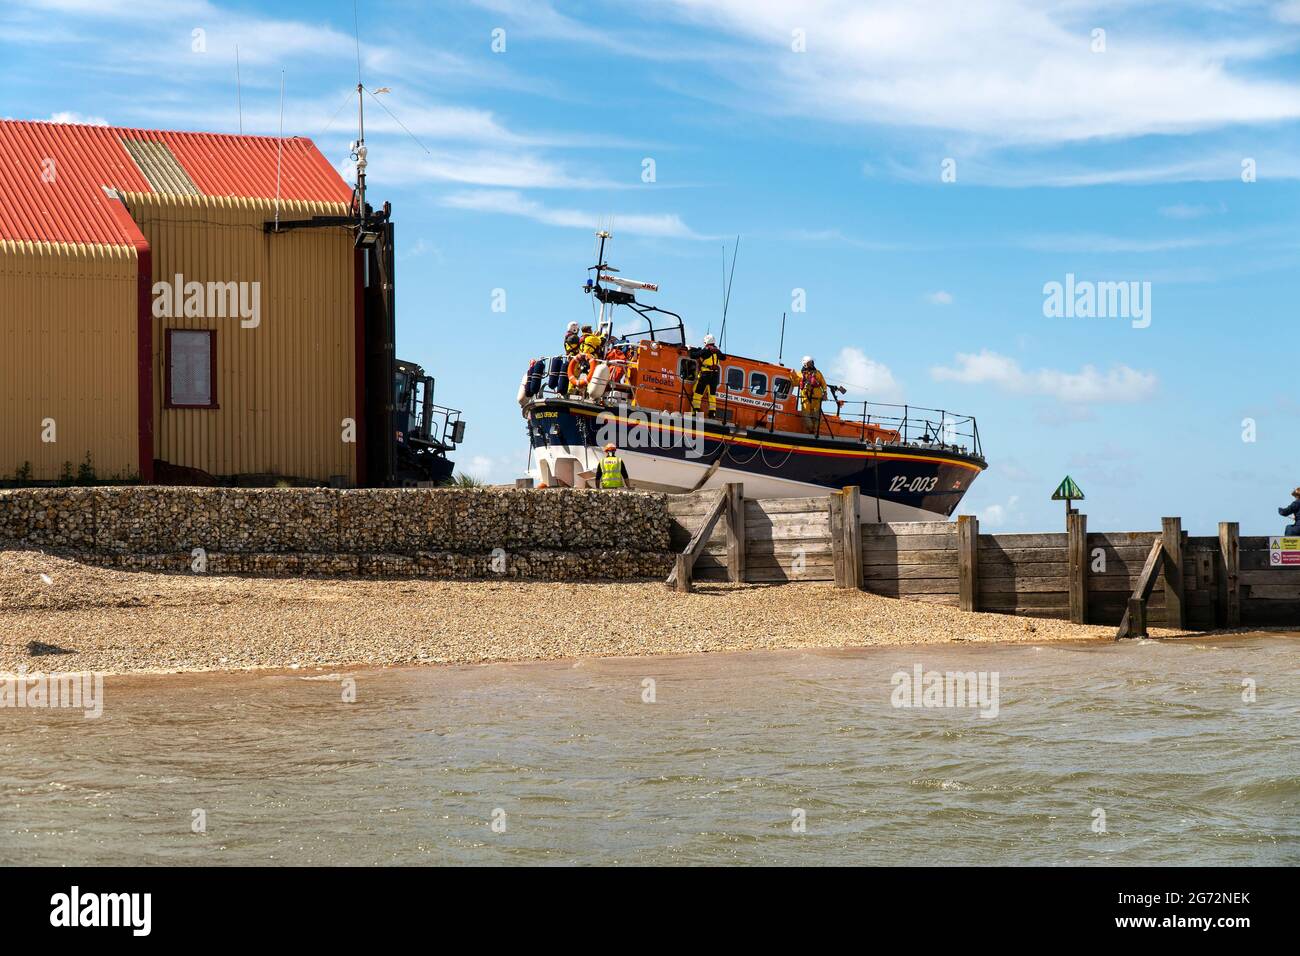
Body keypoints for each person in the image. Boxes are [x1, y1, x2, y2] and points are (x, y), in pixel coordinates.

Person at [689, 333, 725, 417]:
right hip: (715, 375)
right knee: (712, 394)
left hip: (705, 374)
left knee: (698, 393)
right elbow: (723, 357)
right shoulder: (717, 351)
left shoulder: (706, 350)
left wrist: (689, 349)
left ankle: (696, 411)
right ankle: (712, 412)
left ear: (706, 341)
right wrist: (718, 351)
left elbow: (693, 355)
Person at [798, 356, 827, 433]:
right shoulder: (800, 374)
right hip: (806, 398)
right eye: (809, 362)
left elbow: (823, 384)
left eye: (812, 362)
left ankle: (815, 430)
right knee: (805, 415)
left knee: (817, 417)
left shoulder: (818, 373)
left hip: (817, 398)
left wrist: (825, 393)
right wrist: (791, 374)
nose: (812, 364)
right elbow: (794, 381)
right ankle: (810, 429)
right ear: (805, 364)